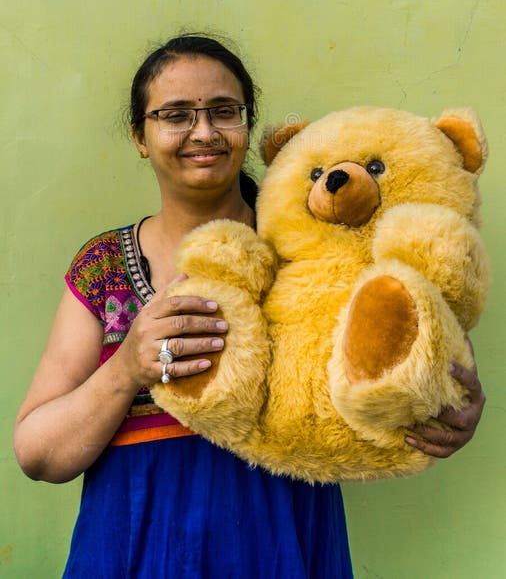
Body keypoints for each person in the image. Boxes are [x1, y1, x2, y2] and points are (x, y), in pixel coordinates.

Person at [14, 33, 486, 578]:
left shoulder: (320, 242)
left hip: (284, 543)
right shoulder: (104, 269)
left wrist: (457, 405)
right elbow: (37, 454)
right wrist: (127, 369)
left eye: (223, 111)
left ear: (247, 126)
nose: (204, 132)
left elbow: (423, 351)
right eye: (175, 114)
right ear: (140, 136)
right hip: (131, 551)